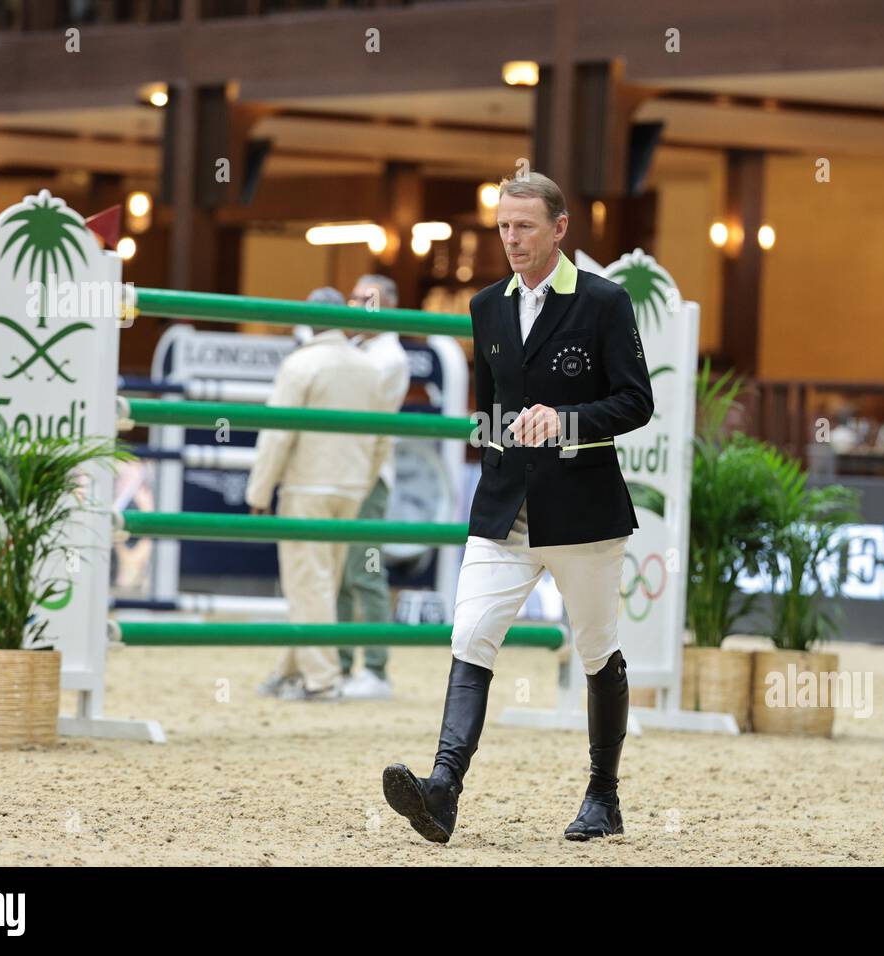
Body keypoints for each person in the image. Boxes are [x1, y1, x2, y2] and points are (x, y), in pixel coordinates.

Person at [381, 171, 653, 842]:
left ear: (559, 229)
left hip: (583, 513)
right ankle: (443, 789)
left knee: (596, 652)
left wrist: (563, 422)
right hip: (504, 508)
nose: (512, 238)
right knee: (471, 637)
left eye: (525, 226)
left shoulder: (604, 302)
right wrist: (497, 439)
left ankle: (604, 796)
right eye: (504, 226)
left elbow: (636, 401)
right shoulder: (486, 307)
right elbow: (487, 407)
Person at [246, 286, 390, 701]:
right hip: (350, 488)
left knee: (309, 583)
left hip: (307, 487)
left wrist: (260, 490)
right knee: (319, 581)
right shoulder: (368, 369)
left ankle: (322, 680)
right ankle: (289, 669)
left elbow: (278, 434)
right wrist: (364, 481)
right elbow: (383, 439)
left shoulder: (301, 364)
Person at [336, 275, 411, 700]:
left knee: (365, 570)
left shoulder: (389, 358)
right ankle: (343, 664)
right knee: (342, 576)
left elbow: (358, 404)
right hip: (345, 471)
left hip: (369, 474)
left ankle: (377, 669)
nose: (359, 306)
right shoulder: (360, 349)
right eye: (355, 297)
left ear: (390, 305)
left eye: (369, 299)